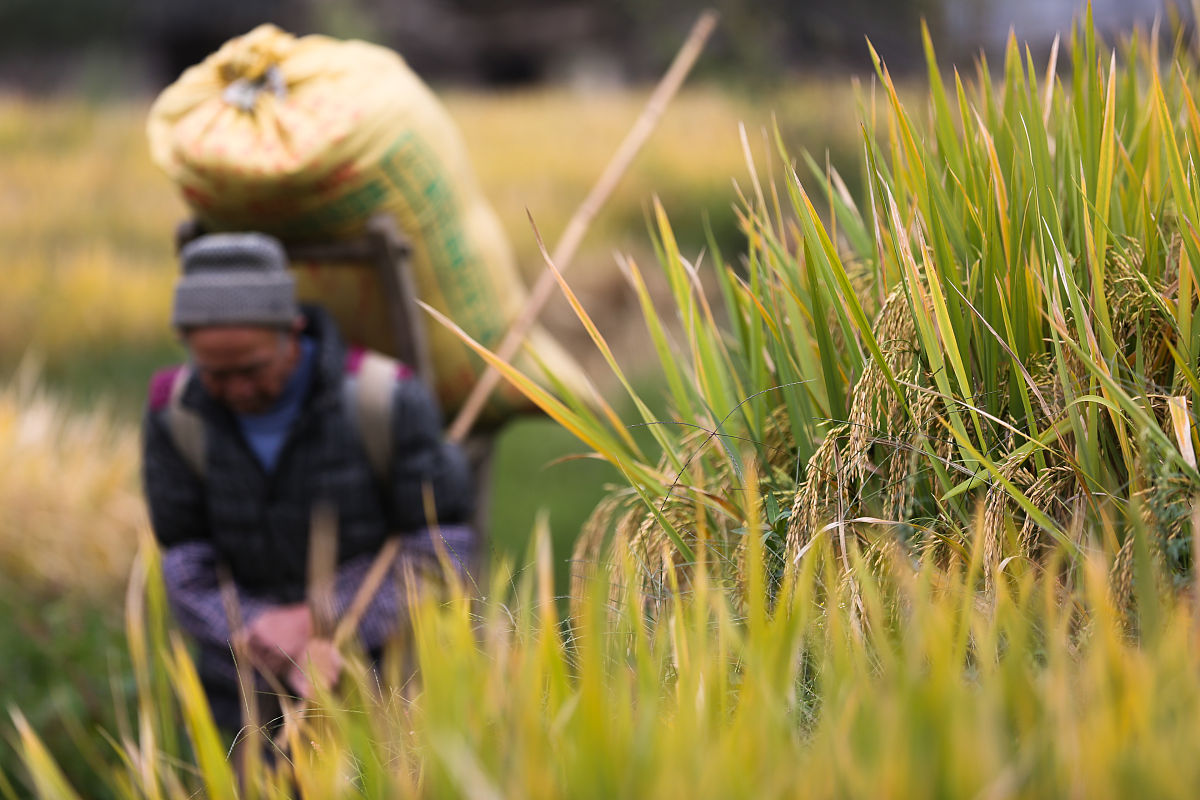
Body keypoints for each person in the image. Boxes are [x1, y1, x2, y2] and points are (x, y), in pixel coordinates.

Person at [142, 231, 475, 733]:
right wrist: (257, 630)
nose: (238, 389)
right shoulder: (175, 413)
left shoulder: (383, 399)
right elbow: (184, 558)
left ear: (292, 330)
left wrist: (318, 620)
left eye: (252, 369)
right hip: (241, 703)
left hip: (384, 691)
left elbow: (442, 547)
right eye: (216, 375)